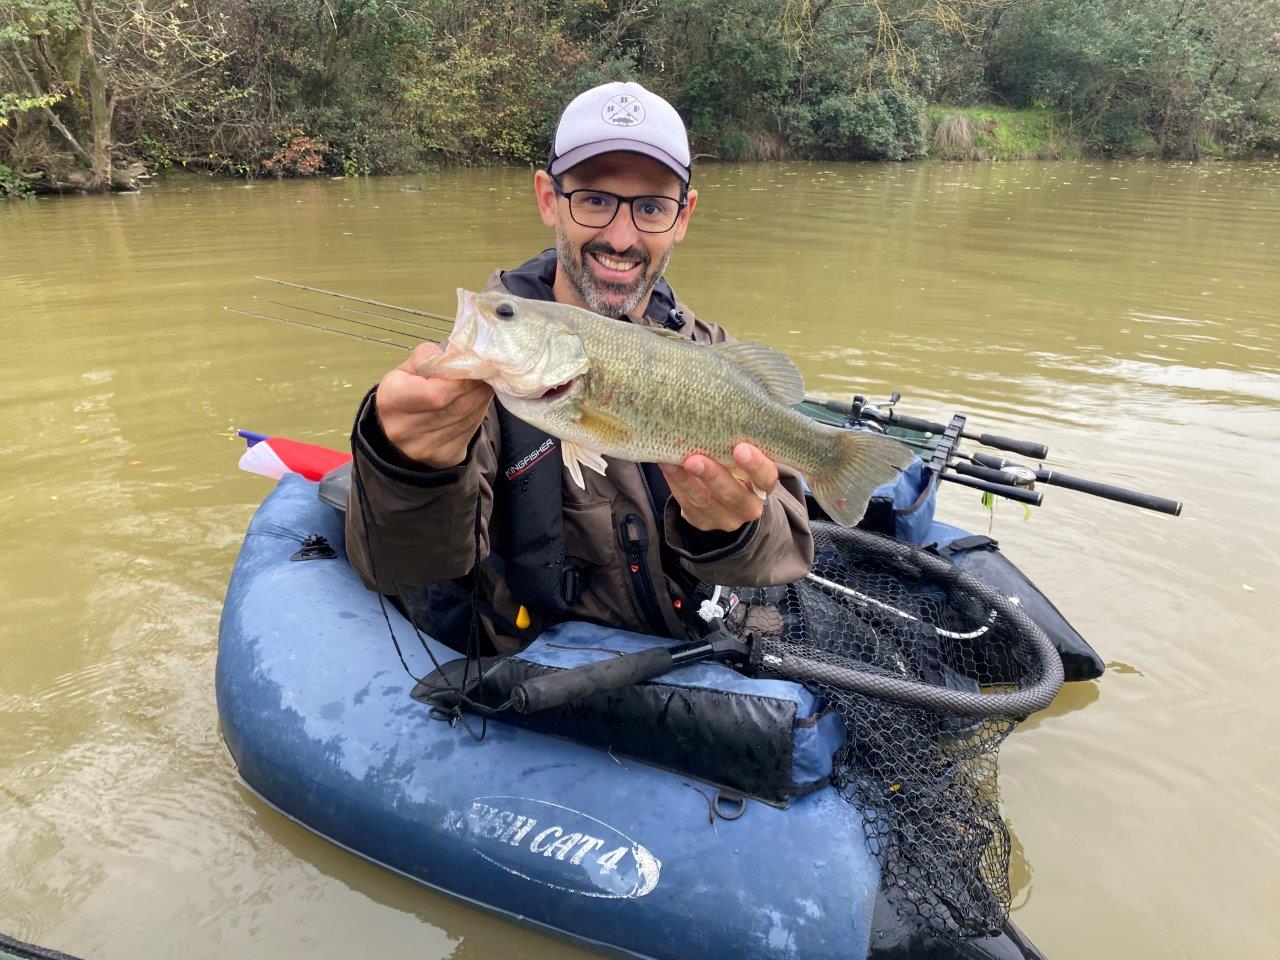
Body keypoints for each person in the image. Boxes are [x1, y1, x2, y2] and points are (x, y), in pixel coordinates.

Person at [345, 81, 813, 654]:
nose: (621, 236)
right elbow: (398, 567)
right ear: (548, 198)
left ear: (683, 217)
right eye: (594, 199)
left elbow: (788, 549)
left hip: (680, 662)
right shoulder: (484, 377)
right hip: (537, 679)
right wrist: (407, 467)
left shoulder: (710, 353)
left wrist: (730, 527)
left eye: (650, 207)